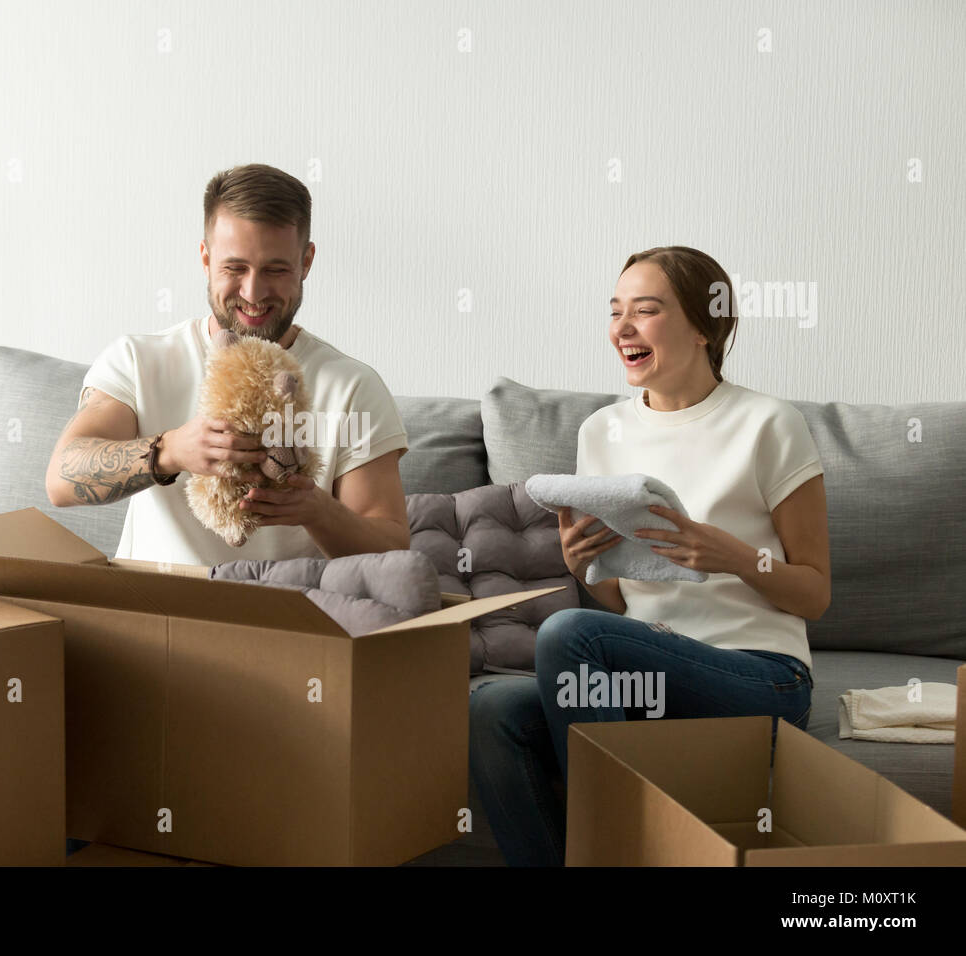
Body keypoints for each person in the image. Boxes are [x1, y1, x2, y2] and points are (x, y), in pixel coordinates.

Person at [468, 246, 830, 866]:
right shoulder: (601, 432)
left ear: (702, 326)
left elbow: (816, 594)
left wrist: (735, 557)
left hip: (758, 675)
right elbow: (616, 603)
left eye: (645, 311)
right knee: (492, 708)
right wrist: (583, 565)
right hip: (641, 671)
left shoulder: (770, 423)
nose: (622, 329)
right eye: (616, 312)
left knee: (568, 632)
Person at [45, 163, 410, 565]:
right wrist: (169, 451)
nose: (253, 292)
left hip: (287, 620)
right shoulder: (138, 360)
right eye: (234, 268)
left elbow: (392, 550)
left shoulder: (352, 387)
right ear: (205, 258)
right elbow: (62, 479)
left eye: (276, 269)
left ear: (306, 262)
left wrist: (318, 511)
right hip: (154, 613)